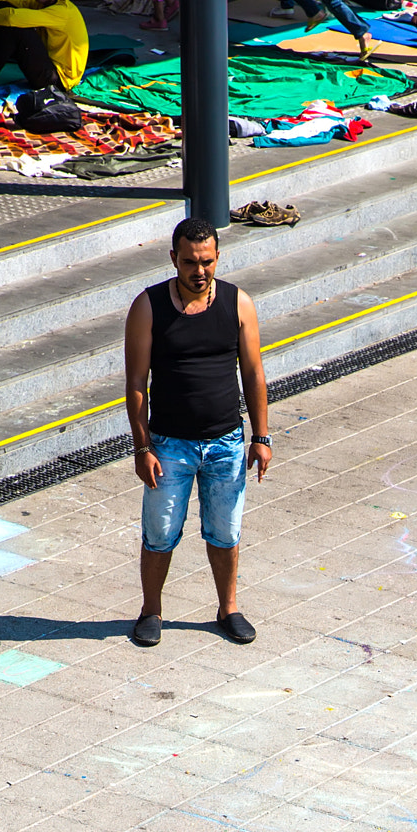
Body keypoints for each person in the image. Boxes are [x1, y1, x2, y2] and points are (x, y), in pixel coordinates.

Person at [123, 217, 270, 648]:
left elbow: (254, 373)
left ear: (218, 258)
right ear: (174, 259)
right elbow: (136, 384)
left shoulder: (238, 303)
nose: (199, 271)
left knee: (225, 532)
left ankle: (228, 608)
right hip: (169, 445)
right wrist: (142, 446)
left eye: (206, 262)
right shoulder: (148, 306)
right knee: (160, 532)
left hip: (226, 442)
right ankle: (151, 611)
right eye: (189, 262)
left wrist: (261, 437)